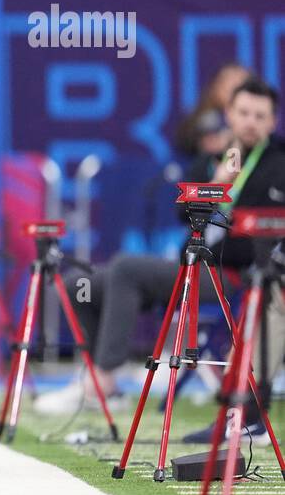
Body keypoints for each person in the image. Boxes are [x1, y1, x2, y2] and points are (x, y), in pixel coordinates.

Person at [35, 76, 285, 443]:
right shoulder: (211, 158)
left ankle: (102, 382)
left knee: (126, 267)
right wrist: (218, 182)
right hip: (192, 266)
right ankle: (101, 380)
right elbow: (183, 213)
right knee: (79, 285)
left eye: (259, 116)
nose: (250, 122)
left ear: (272, 122)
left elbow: (263, 238)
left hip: (231, 276)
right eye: (243, 113)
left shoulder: (279, 164)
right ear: (229, 114)